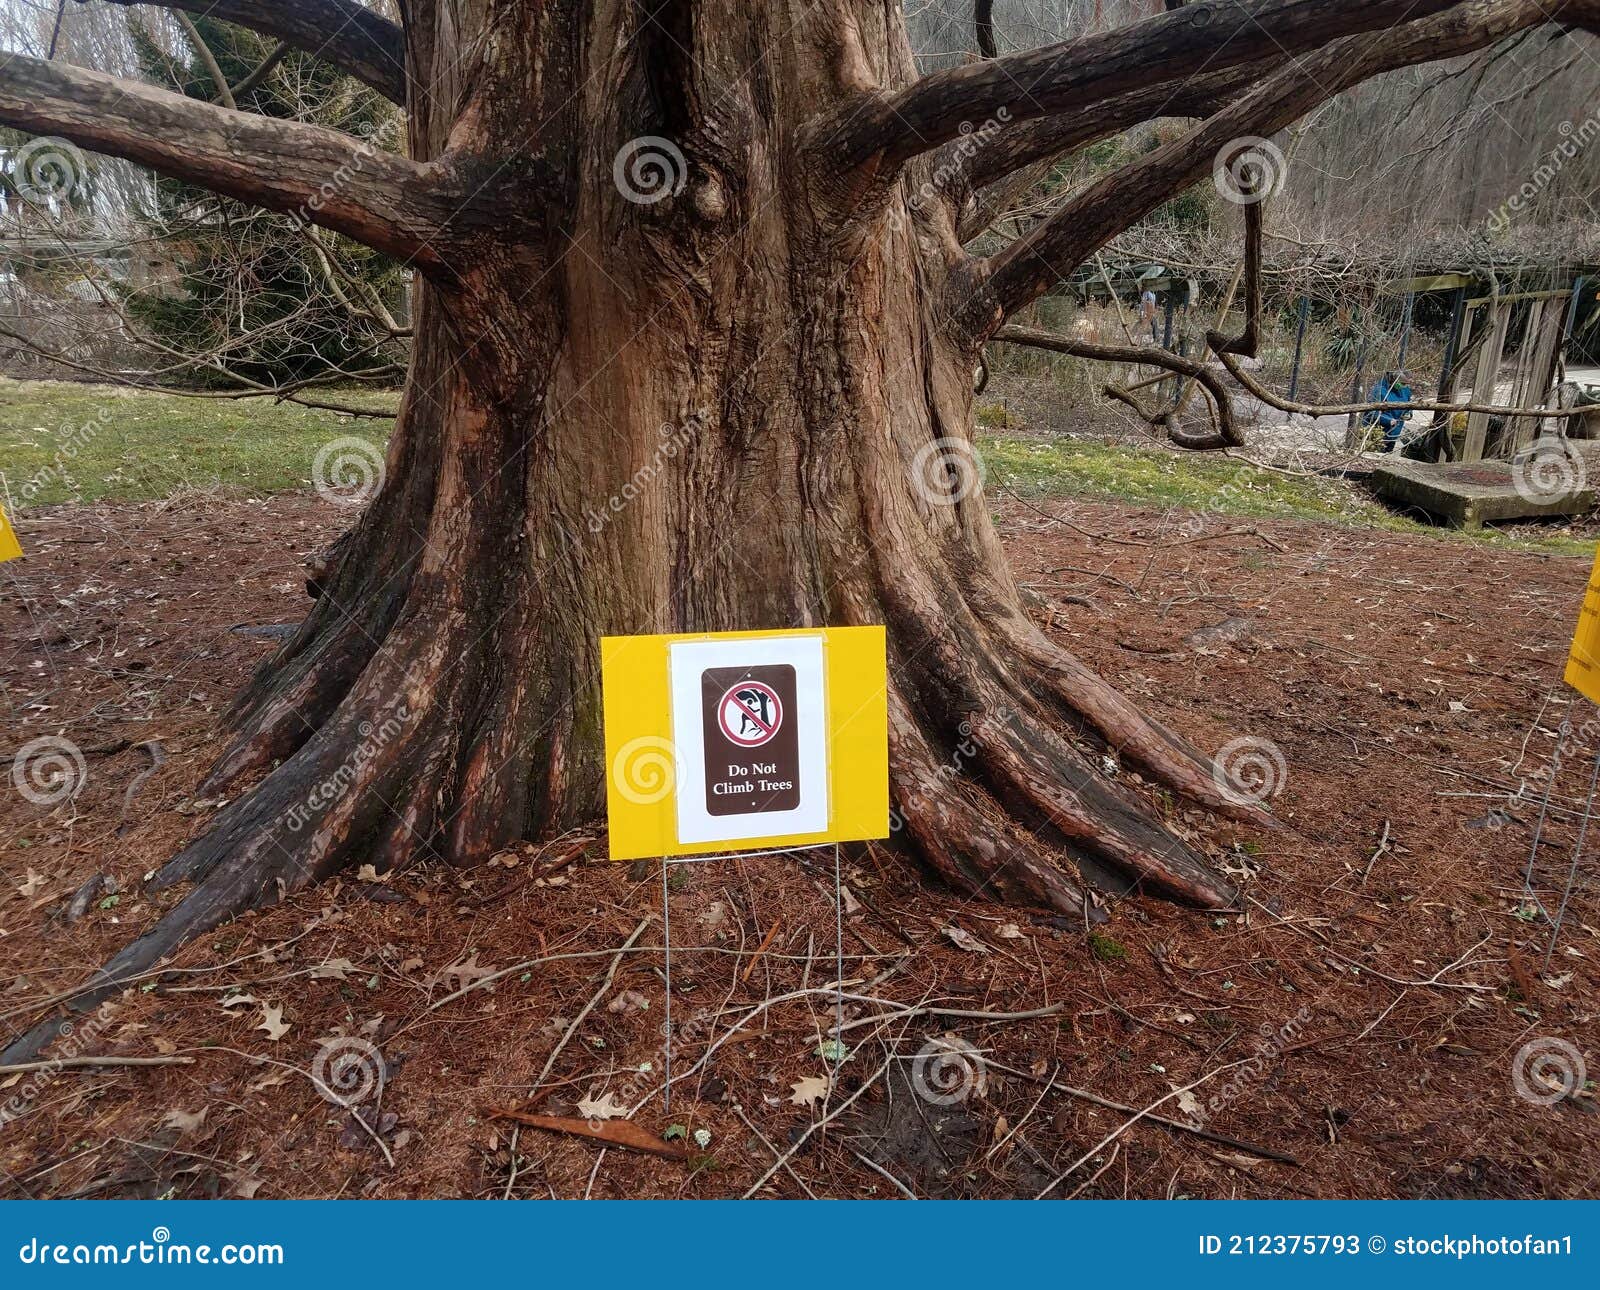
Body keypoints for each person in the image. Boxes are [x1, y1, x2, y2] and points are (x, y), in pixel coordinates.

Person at [1363, 370, 1413, 450]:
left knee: (1389, 451)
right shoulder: (1379, 390)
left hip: (1395, 432)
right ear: (1394, 380)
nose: (1405, 386)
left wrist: (1408, 413)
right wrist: (1387, 420)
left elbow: (1409, 404)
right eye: (1403, 383)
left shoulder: (1405, 390)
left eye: (1407, 384)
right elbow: (1370, 412)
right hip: (1378, 432)